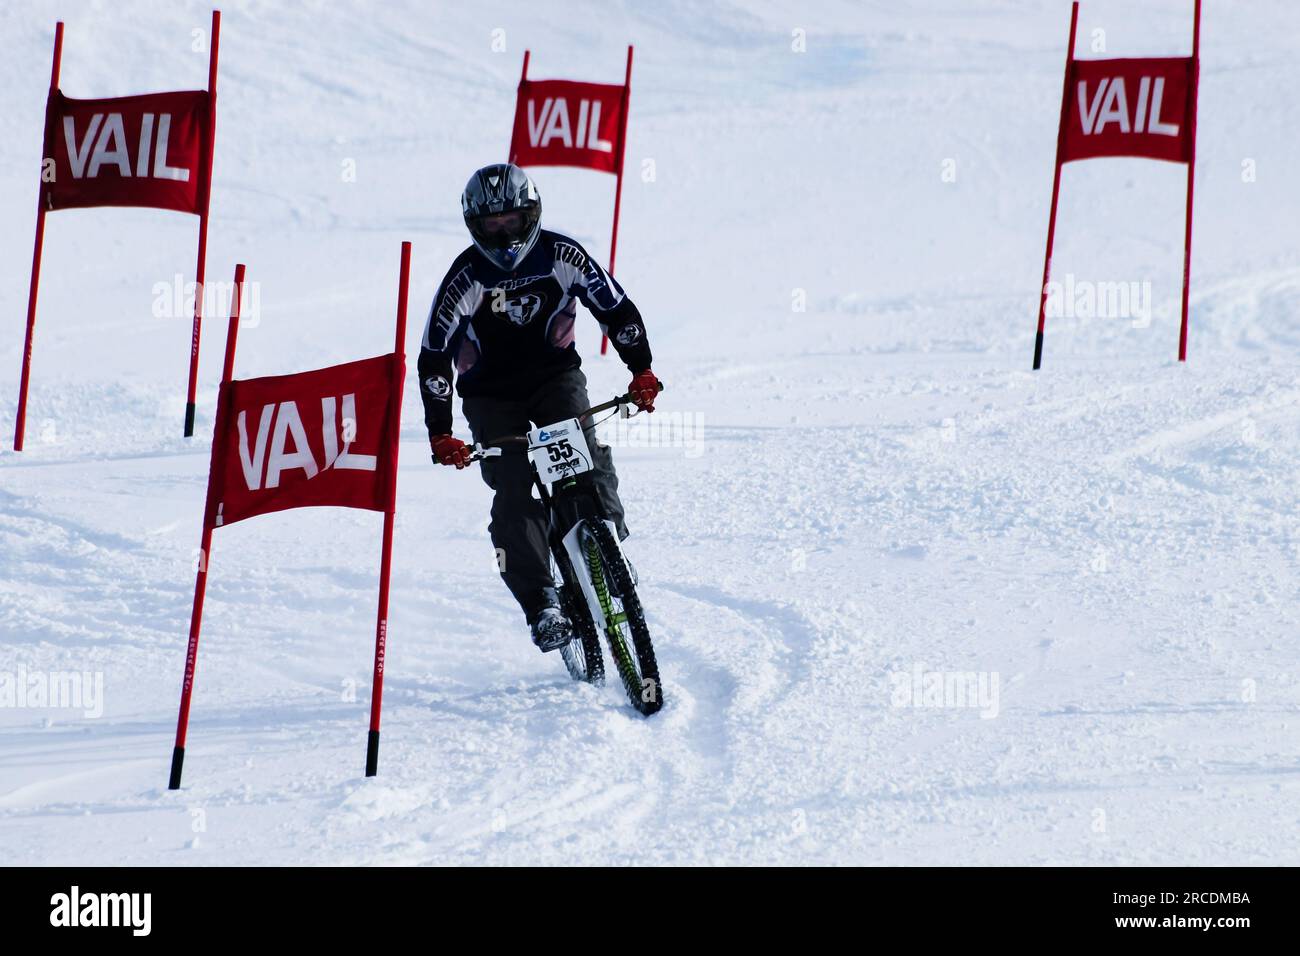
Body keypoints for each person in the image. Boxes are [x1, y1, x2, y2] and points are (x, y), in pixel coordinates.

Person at [419, 162, 660, 652]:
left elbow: (616, 310)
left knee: (584, 455)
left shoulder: (562, 253)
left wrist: (642, 370)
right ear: (474, 226)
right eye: (492, 225)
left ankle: (608, 539)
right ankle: (542, 602)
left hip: (555, 378)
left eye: (513, 220)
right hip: (489, 396)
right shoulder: (463, 279)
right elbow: (433, 361)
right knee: (513, 491)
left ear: (533, 213)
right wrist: (440, 432)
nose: (504, 233)